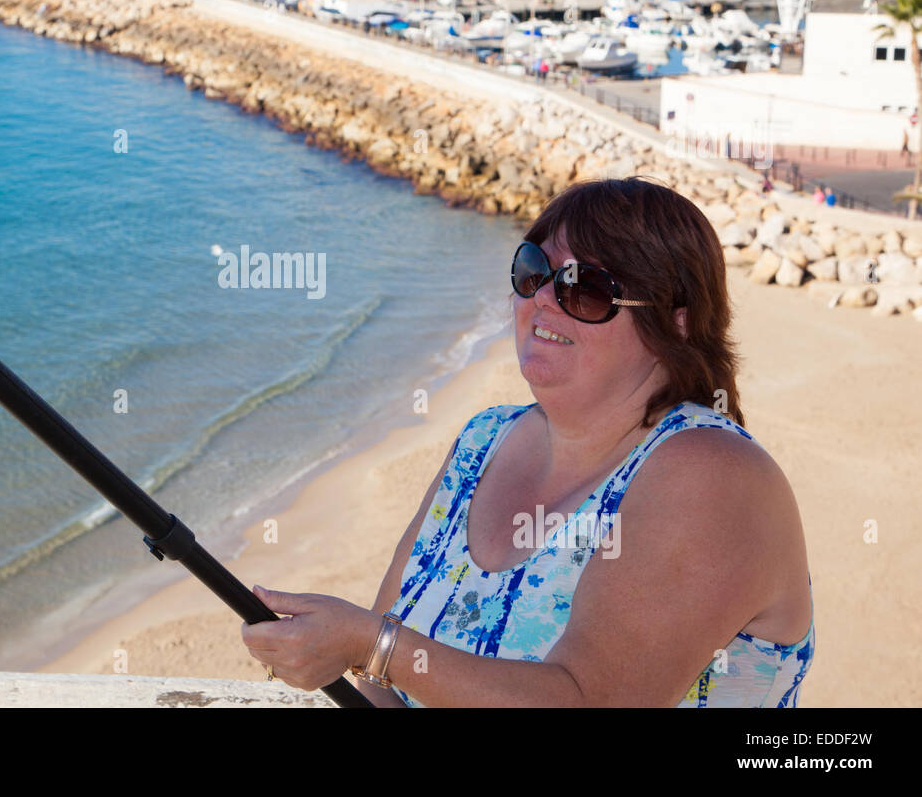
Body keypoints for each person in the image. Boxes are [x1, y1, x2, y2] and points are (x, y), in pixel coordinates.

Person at [241, 177, 814, 707]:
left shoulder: (712, 474)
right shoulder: (484, 441)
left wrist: (371, 644)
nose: (542, 298)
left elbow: (588, 701)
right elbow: (383, 689)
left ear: (678, 323)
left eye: (585, 289)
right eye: (533, 271)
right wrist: (341, 650)